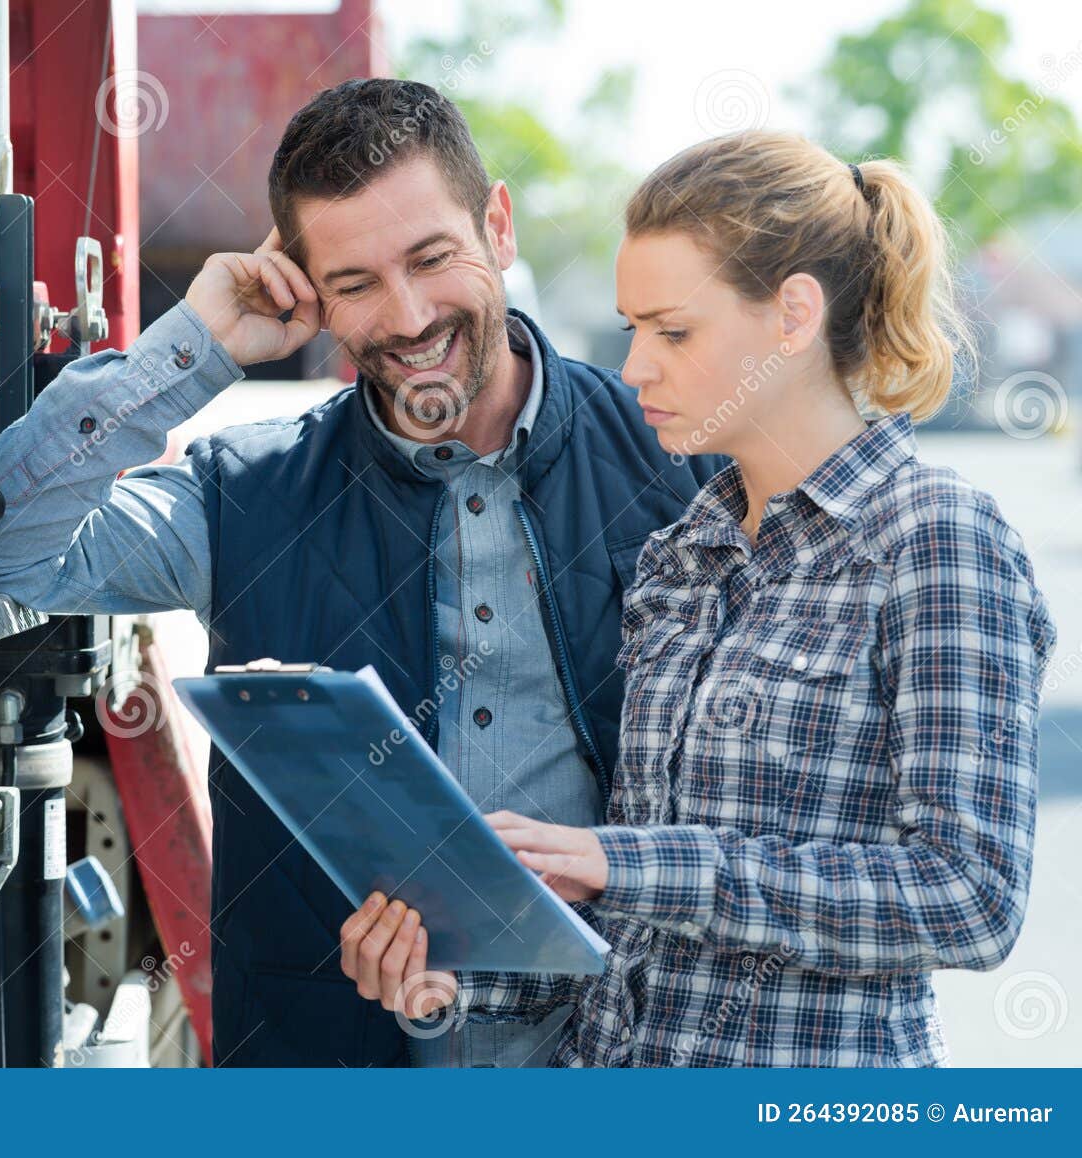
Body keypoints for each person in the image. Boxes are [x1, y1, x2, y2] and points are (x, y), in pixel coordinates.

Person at [0, 78, 725, 1067]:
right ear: (309, 292)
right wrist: (189, 351)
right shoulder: (246, 496)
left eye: (431, 259)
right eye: (355, 283)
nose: (407, 318)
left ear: (496, 224)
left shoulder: (691, 465)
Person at [342, 130, 1057, 1066]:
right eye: (633, 328)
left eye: (672, 331)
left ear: (794, 316)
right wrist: (454, 971)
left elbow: (969, 899)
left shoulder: (938, 542)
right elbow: (645, 932)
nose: (635, 366)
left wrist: (627, 864)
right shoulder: (681, 555)